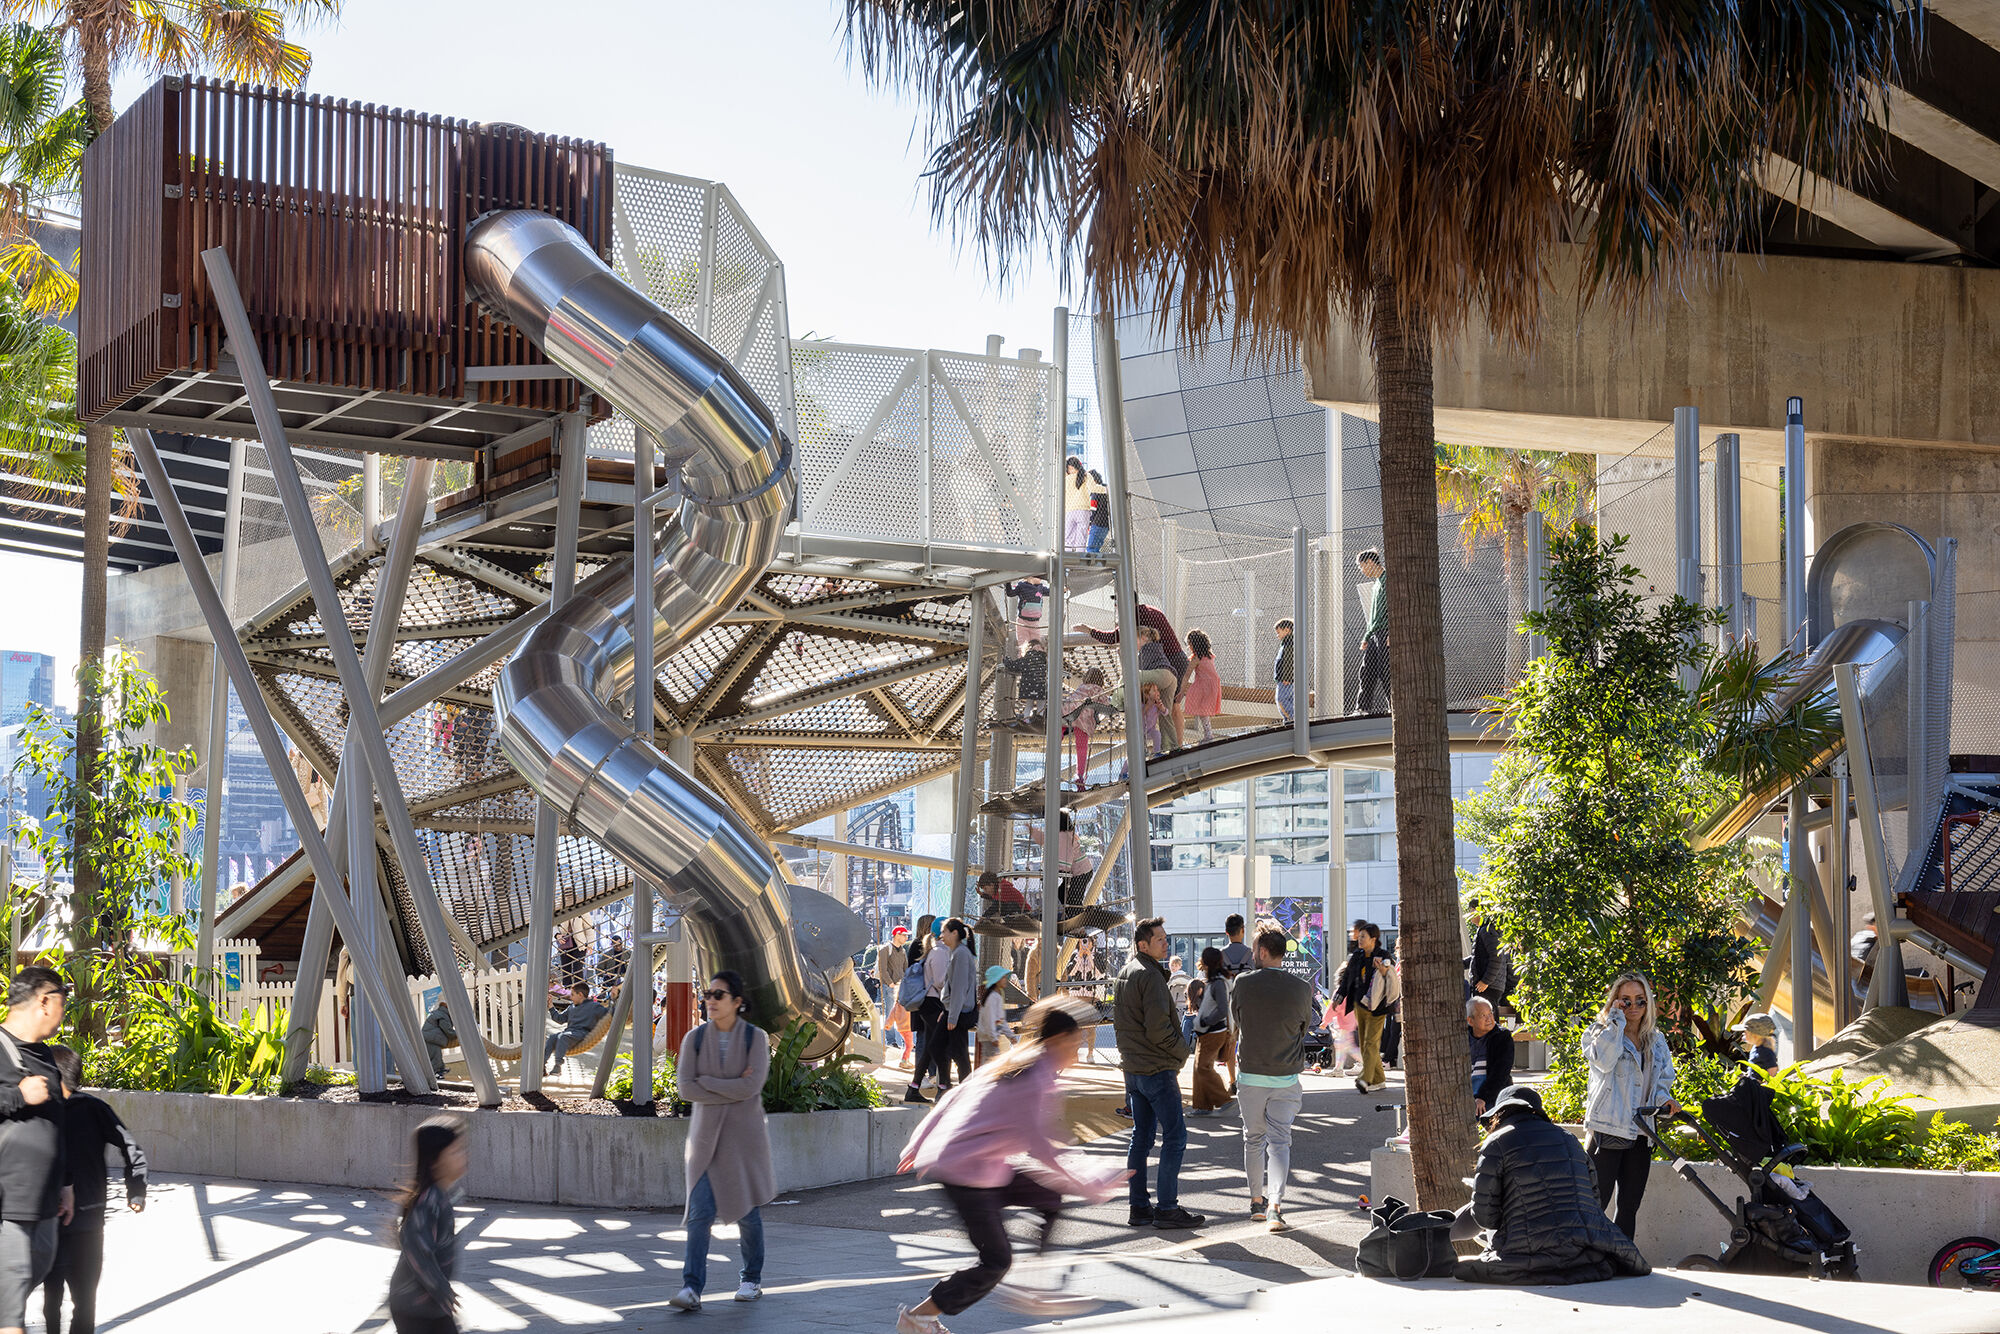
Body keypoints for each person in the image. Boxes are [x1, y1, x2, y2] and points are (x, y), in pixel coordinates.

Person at [895, 997, 1129, 1334]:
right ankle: (917, 1318)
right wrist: (1089, 1185)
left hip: (985, 1165)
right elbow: (1042, 1148)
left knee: (1048, 1195)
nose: (1076, 1055)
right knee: (996, 1261)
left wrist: (918, 1141)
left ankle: (1031, 1287)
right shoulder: (1032, 1079)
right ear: (1055, 1041)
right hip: (965, 1172)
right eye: (1073, 1046)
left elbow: (954, 1096)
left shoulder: (1020, 1062)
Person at [1453, 1086, 1650, 1285]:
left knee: (1487, 1205)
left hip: (1525, 1251)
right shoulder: (1569, 1140)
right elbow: (1593, 1200)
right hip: (1582, 1247)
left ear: (1499, 1114)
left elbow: (1484, 1216)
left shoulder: (1496, 1142)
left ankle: (1439, 1236)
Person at [670, 971, 775, 1311]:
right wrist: (731, 1086)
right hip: (705, 1144)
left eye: (718, 995)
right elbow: (685, 1088)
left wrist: (708, 1081)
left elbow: (752, 1086)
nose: (710, 1000)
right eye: (707, 994)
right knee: (700, 1214)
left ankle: (751, 1279)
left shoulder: (755, 1038)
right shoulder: (695, 1038)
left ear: (737, 1001)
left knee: (747, 1214)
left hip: (744, 1142)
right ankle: (692, 1288)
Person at [40, 1045, 144, 1334]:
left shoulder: (41, 1111)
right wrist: (136, 1189)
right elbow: (131, 1147)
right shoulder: (96, 1109)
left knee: (52, 1299)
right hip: (88, 1220)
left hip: (53, 1221)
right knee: (84, 1302)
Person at [1113, 917, 1204, 1230]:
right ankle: (1167, 1208)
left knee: (1141, 1137)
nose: (1166, 943)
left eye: (1166, 938)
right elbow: (1158, 1029)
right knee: (1175, 1136)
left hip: (1134, 1069)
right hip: (1156, 1068)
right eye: (1160, 939)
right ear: (1143, 945)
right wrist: (1182, 1051)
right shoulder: (1150, 976)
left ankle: (1139, 1206)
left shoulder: (1126, 972)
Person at [0, 966, 73, 1334]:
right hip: (7, 1204)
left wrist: (67, 1183)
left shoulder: (44, 1054)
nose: (63, 1013)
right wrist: (18, 1096)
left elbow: (58, 1121)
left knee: (33, 1274)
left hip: (44, 1203)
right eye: (62, 1003)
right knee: (10, 1311)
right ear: (44, 1001)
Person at [1231, 927, 1317, 1230]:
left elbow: (1238, 1020)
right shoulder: (1301, 987)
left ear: (1263, 952)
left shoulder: (1243, 983)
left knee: (1253, 1138)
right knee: (1280, 1142)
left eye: (1255, 949)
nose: (1252, 954)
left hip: (1251, 1074)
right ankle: (1275, 1206)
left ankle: (1256, 1201)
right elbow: (1304, 1026)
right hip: (1285, 1076)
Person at [1582, 972, 1678, 1240]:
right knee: (1595, 1205)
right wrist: (1616, 1020)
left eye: (1640, 1000)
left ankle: (1623, 1258)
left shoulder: (1655, 1040)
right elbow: (1604, 1061)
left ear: (1648, 1003)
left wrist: (1664, 1100)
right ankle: (1584, 1256)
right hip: (1608, 1129)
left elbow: (1661, 1081)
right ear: (1615, 1001)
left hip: (1641, 1131)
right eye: (1626, 1000)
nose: (1633, 1006)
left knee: (1629, 1207)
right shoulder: (1599, 1033)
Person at [388, 1118, 466, 1333]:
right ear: (435, 1161)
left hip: (430, 1306)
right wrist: (440, 1288)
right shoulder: (429, 1201)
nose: (463, 1156)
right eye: (455, 1152)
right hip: (413, 1307)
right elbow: (414, 1246)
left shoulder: (441, 1196)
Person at [1084, 598, 1191, 752]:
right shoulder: (1148, 615)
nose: (1116, 609)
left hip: (1170, 664)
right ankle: (1174, 748)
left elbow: (1113, 638)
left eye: (1117, 605)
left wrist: (1089, 630)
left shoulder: (1136, 618)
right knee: (1169, 709)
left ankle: (1114, 704)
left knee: (1133, 682)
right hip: (1173, 665)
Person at [911, 918, 978, 1101]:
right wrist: (948, 1010)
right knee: (948, 1050)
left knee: (956, 1052)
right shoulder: (955, 953)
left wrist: (952, 1016)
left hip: (956, 1012)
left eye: (945, 932)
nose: (942, 936)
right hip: (951, 1010)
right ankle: (950, 1088)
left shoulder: (960, 954)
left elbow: (958, 987)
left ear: (954, 933)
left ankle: (956, 1090)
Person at [1351, 923, 1396, 1094]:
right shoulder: (1358, 955)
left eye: (1363, 936)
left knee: (1370, 1043)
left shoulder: (1383, 955)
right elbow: (1350, 978)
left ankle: (1365, 1079)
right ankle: (1379, 1080)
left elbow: (1388, 971)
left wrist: (1383, 970)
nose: (1359, 939)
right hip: (1361, 1005)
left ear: (1373, 939)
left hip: (1378, 1007)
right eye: (1359, 936)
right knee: (1366, 1045)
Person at [1189, 947, 1234, 1116]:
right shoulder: (1215, 981)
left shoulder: (1217, 983)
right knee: (1199, 1068)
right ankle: (1202, 1106)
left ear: (1206, 963)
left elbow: (1222, 1010)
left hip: (1213, 1031)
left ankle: (1223, 1099)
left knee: (1202, 1068)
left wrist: (1205, 1021)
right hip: (1208, 1031)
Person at [544, 983, 608, 1076]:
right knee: (552, 1037)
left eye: (572, 995)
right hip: (569, 1034)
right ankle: (542, 1065)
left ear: (580, 995)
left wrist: (614, 999)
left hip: (582, 1034)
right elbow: (560, 1019)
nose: (571, 997)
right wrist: (550, 1006)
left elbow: (610, 1015)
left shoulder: (594, 1007)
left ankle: (558, 1066)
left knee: (563, 1037)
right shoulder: (572, 1007)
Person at [1354, 549, 1389, 714]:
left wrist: (1393, 632)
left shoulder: (1387, 579)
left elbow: (1395, 607)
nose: (1361, 570)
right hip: (1374, 634)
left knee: (1385, 670)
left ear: (1369, 562)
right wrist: (1367, 636)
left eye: (1361, 566)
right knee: (1366, 670)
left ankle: (1394, 706)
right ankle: (1362, 708)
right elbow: (1373, 616)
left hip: (1385, 632)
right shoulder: (1376, 585)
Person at [1467, 996, 1514, 1117]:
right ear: (1470, 1021)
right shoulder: (1463, 1037)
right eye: (1483, 1015)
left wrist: (1483, 1097)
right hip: (1466, 1096)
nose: (1489, 1019)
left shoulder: (1502, 1036)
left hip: (1492, 1096)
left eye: (1490, 1013)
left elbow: (1500, 1073)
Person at [1060, 670, 1109, 784]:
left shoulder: (1082, 686)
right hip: (1083, 717)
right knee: (1081, 747)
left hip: (1068, 711)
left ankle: (1053, 764)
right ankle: (1080, 775)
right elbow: (1106, 705)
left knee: (1060, 731)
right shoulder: (1098, 689)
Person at [877, 925, 914, 1069]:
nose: (906, 937)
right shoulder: (885, 949)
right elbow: (882, 969)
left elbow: (906, 968)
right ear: (897, 935)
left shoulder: (903, 951)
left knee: (903, 1013)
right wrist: (890, 983)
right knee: (891, 1012)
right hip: (890, 986)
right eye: (904, 935)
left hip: (901, 988)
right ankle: (891, 1040)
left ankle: (906, 1041)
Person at [1466, 899, 1510, 1006]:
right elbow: (1477, 958)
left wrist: (1486, 981)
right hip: (1489, 986)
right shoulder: (1484, 929)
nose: (1469, 914)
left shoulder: (1487, 930)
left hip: (1489, 987)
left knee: (1487, 1015)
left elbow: (1496, 956)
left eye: (1471, 910)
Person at [1183, 629, 1222, 743]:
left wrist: (1182, 690)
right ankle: (1208, 733)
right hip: (1213, 684)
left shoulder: (1196, 658)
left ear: (1194, 644)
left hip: (1204, 684)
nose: (1189, 647)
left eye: (1190, 644)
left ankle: (1208, 734)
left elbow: (1187, 674)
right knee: (1203, 709)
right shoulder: (1209, 655)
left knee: (1202, 709)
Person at [1000, 638, 1050, 721]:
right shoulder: (1045, 659)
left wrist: (1006, 659)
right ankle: (1040, 721)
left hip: (1028, 687)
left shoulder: (1025, 659)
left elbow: (1013, 665)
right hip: (1041, 686)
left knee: (1029, 705)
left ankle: (1026, 720)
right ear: (1039, 647)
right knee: (1041, 705)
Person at [976, 967, 1016, 1067]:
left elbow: (1001, 1020)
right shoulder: (993, 998)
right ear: (996, 979)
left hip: (990, 1038)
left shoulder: (996, 996)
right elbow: (990, 1019)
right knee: (992, 1067)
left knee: (988, 1066)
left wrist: (1010, 1036)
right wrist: (993, 1037)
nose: (1005, 980)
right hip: (989, 1039)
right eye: (1003, 977)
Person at [1061, 457, 1095, 550]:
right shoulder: (1086, 476)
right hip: (1083, 511)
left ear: (1070, 468)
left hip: (1069, 511)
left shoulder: (1066, 479)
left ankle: (1067, 557)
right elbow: (1093, 488)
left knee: (1068, 539)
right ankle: (1079, 557)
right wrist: (1106, 490)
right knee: (1081, 540)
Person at [1008, 577, 1048, 651]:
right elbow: (1010, 593)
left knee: (1037, 644)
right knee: (1023, 644)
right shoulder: (1021, 586)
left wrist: (1063, 590)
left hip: (1035, 623)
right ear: (1030, 577)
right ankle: (1023, 656)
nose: (1041, 579)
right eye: (1039, 577)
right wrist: (1007, 582)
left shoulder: (1041, 588)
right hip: (1022, 622)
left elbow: (1052, 591)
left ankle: (1037, 655)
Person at [421, 999, 457, 1079]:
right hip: (431, 1039)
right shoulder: (442, 1016)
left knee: (436, 1056)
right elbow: (448, 1031)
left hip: (430, 1038)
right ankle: (433, 1076)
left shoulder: (438, 1013)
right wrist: (457, 1034)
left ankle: (439, 1070)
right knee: (435, 1059)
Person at [1272, 618, 1296, 722]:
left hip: (1285, 680)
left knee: (1281, 699)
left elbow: (1288, 661)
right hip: (1285, 679)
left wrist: (1287, 678)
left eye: (1278, 632)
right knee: (1288, 700)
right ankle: (1289, 719)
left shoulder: (1289, 644)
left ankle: (1291, 719)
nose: (1277, 635)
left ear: (1286, 630)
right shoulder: (1286, 643)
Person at [1085, 470, 1112, 554]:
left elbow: (1093, 509)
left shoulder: (1096, 491)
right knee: (1095, 549)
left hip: (1097, 523)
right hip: (1106, 524)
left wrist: (1089, 522)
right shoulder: (1106, 489)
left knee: (1091, 549)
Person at [555, 926, 586, 992]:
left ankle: (579, 992)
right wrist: (557, 935)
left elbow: (589, 928)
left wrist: (590, 945)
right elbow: (555, 926)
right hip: (565, 940)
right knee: (565, 970)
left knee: (578, 969)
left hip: (579, 941)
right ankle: (567, 992)